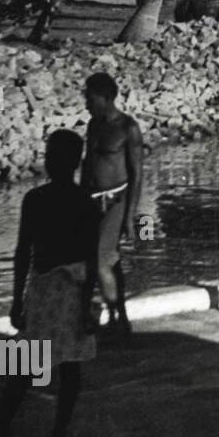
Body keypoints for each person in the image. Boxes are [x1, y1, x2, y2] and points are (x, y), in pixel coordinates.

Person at [0, 130, 100, 437]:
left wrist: (17, 298)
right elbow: (92, 258)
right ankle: (56, 435)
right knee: (67, 366)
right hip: (69, 290)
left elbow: (22, 253)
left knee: (28, 366)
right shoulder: (85, 202)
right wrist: (87, 305)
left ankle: (1, 436)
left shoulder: (37, 199)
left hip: (45, 289)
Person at [82, 72, 142, 338]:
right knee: (110, 260)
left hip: (116, 201)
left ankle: (116, 317)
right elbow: (88, 164)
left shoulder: (128, 128)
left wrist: (130, 216)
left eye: (90, 98)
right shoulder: (93, 125)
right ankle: (121, 318)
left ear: (107, 98)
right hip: (92, 201)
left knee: (100, 260)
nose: (86, 103)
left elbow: (137, 174)